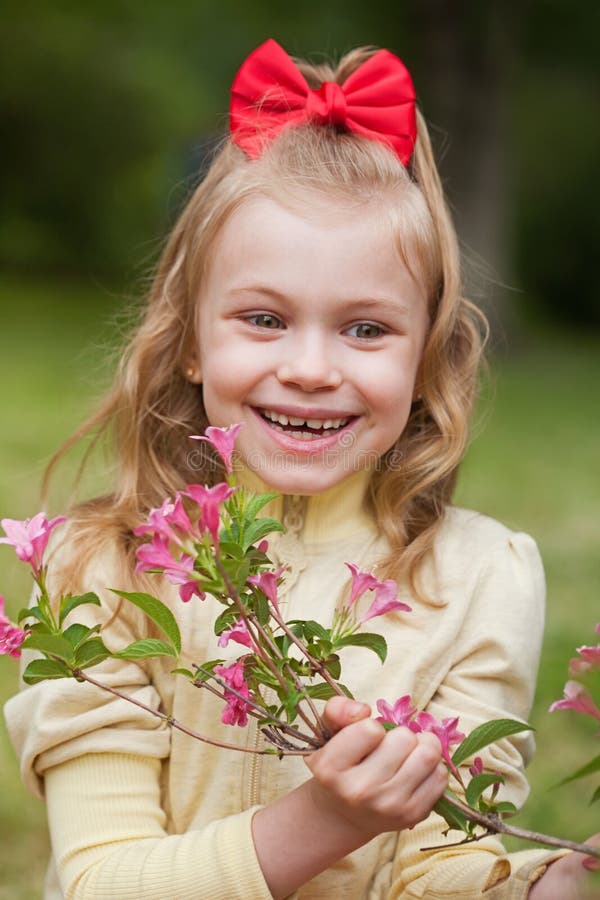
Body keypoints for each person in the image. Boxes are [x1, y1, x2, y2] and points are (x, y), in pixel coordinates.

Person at [4, 38, 598, 900]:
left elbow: (450, 869)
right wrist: (330, 820)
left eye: (366, 329)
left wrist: (562, 882)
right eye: (263, 319)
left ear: (426, 359)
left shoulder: (478, 579)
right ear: (191, 344)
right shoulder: (100, 571)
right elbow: (103, 882)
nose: (314, 367)